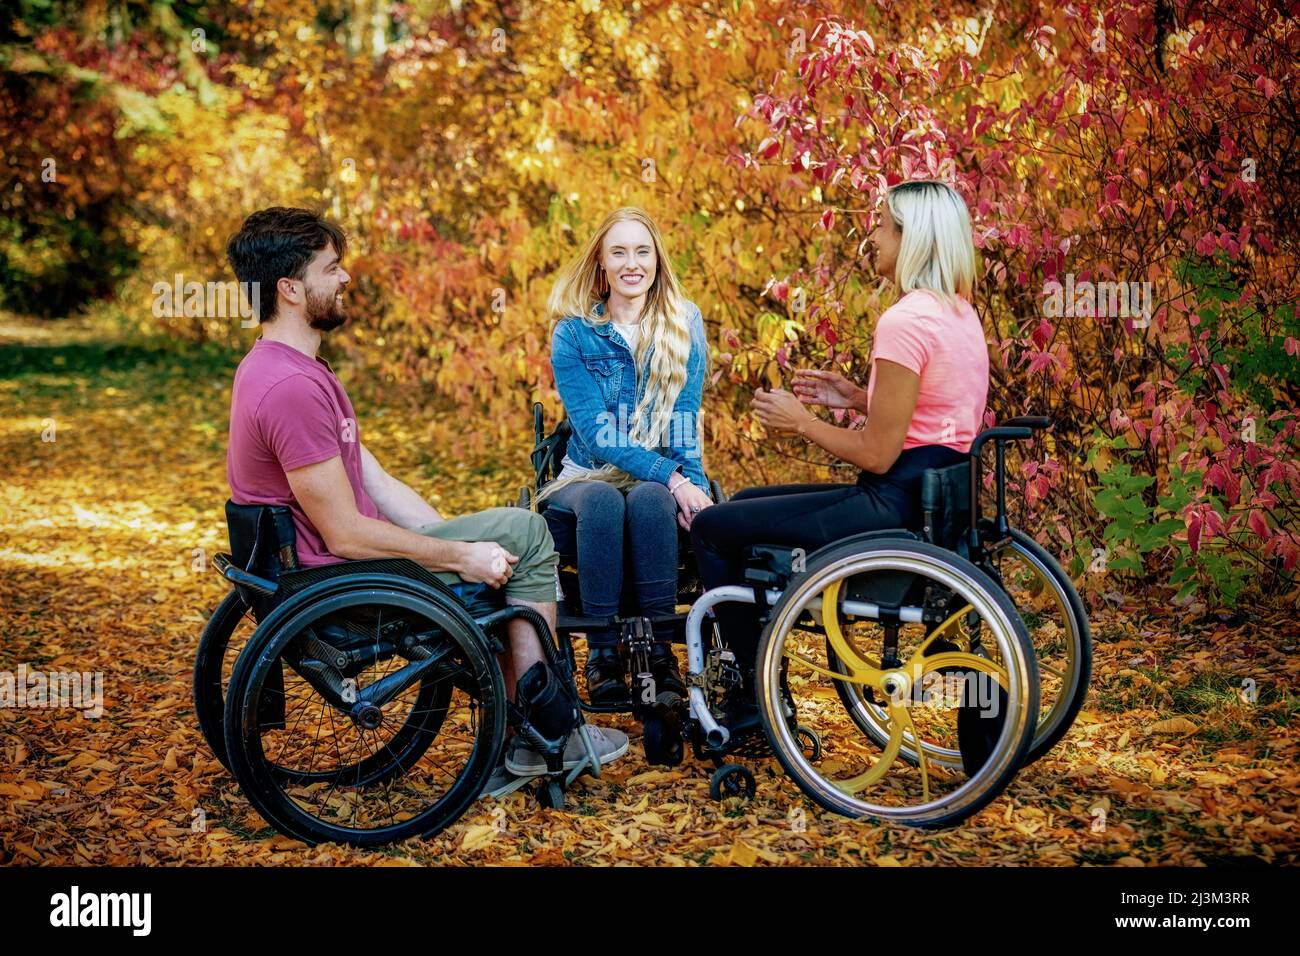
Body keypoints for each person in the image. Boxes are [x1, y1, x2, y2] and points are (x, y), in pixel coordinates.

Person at [223, 207, 628, 795]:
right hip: (338, 581)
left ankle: (522, 726)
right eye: (331, 268)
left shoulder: (291, 368)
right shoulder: (289, 389)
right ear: (289, 288)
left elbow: (376, 482)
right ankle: (539, 731)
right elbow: (345, 534)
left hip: (321, 569)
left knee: (511, 534)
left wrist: (455, 540)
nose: (345, 279)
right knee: (532, 535)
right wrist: (461, 559)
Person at [689, 179, 989, 721]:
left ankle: (751, 696)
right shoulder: (959, 314)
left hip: (893, 502)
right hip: (938, 496)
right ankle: (760, 671)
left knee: (713, 527)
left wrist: (802, 422)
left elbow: (877, 454)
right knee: (749, 500)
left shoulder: (903, 321)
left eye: (881, 226)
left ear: (912, 238)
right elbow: (928, 419)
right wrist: (855, 396)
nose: (870, 236)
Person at [541, 206, 712, 707]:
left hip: (657, 479)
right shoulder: (573, 333)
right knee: (602, 501)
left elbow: (685, 415)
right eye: (619, 252)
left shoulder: (684, 323)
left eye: (642, 251)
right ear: (601, 263)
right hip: (586, 474)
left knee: (652, 501)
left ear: (657, 259)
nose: (631, 263)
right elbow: (597, 435)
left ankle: (660, 653)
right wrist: (674, 477)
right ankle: (603, 653)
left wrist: (692, 485)